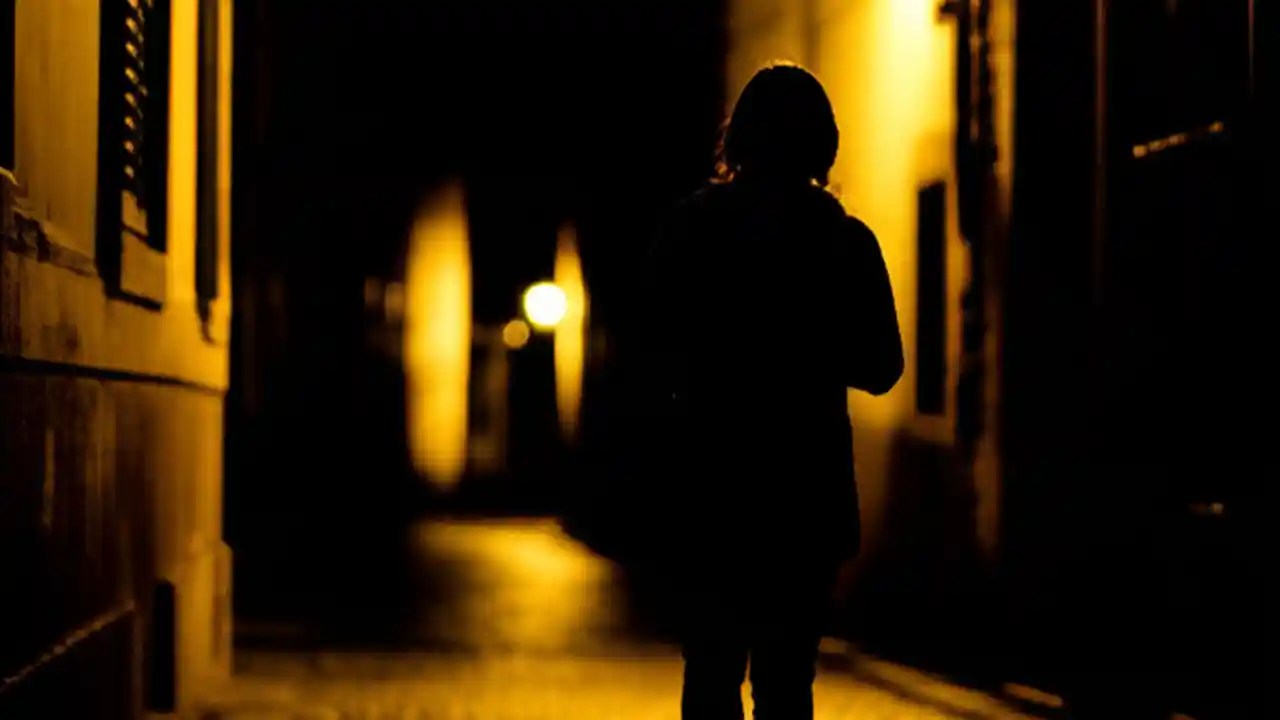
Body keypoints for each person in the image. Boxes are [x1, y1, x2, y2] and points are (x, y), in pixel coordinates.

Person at [636, 63, 904, 720]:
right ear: (824, 143)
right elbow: (883, 366)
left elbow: (650, 352)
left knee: (710, 674)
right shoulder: (845, 241)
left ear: (740, 138)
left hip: (709, 487)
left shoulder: (689, 228)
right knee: (787, 682)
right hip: (804, 494)